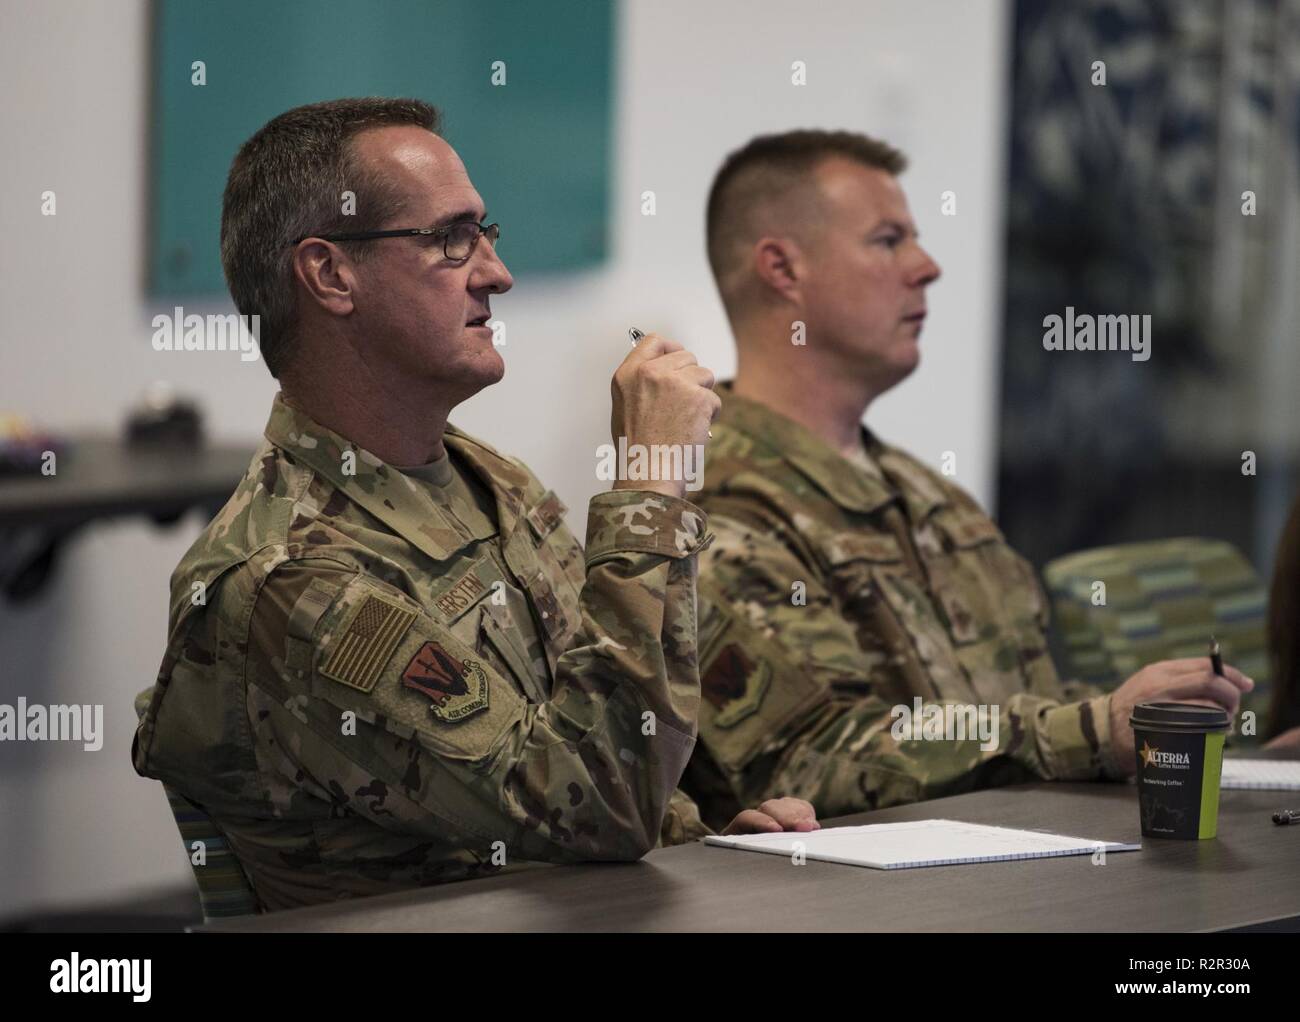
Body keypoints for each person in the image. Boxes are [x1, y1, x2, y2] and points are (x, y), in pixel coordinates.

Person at [132, 98, 816, 912]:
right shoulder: (290, 581)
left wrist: (705, 845)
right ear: (328, 275)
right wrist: (651, 475)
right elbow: (598, 800)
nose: (496, 272)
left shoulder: (488, 482)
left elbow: (617, 760)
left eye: (488, 234)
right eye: (451, 239)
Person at [679, 129, 1255, 829]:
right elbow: (806, 760)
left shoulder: (930, 496)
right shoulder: (712, 509)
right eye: (889, 240)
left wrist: (1160, 728)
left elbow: (1032, 699)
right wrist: (1089, 729)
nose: (926, 267)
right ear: (782, 269)